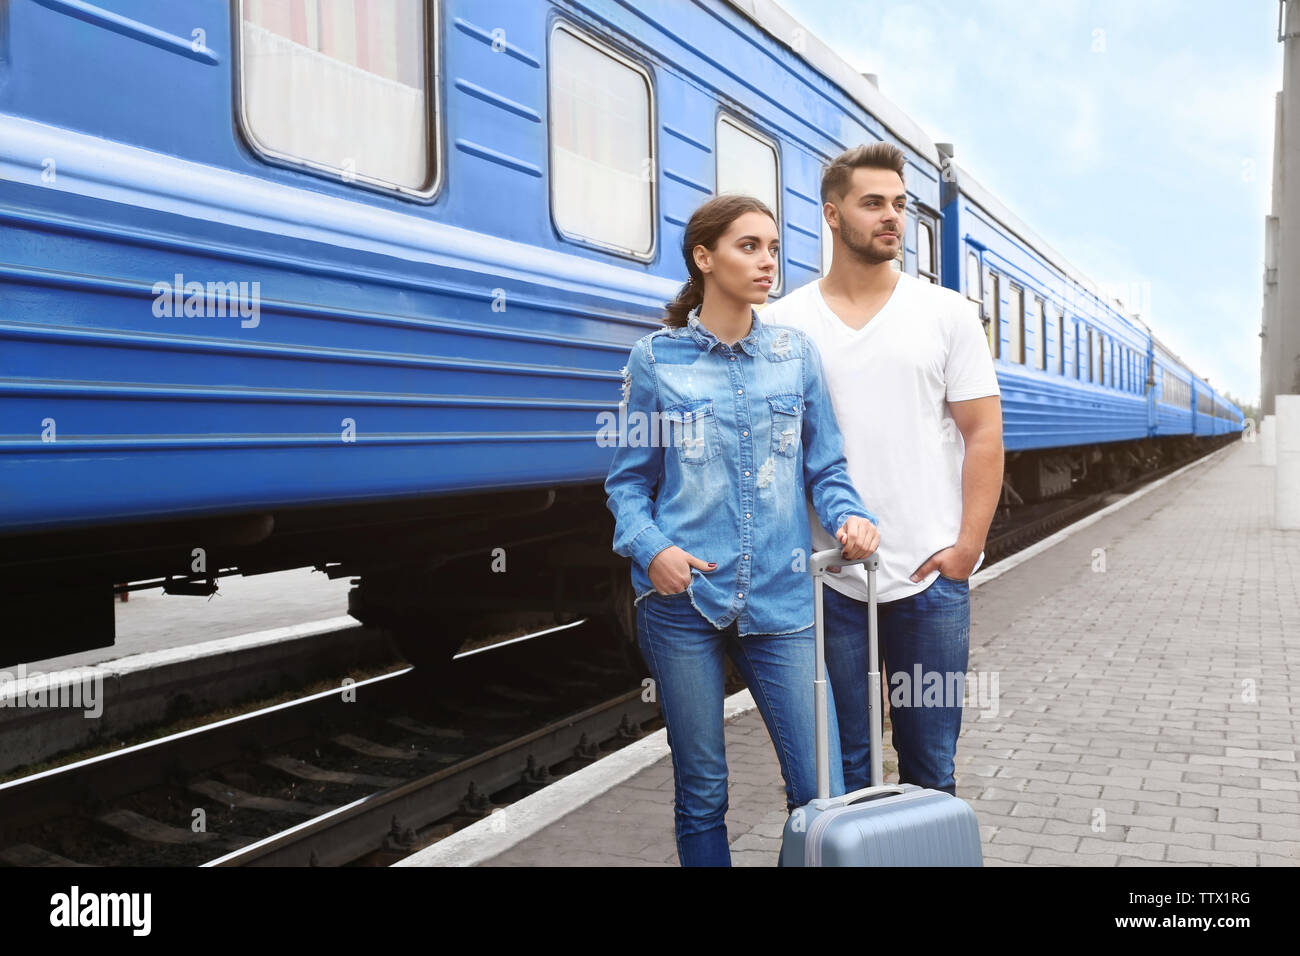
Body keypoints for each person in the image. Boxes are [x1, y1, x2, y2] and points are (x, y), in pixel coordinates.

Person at [604, 193, 880, 866]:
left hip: (781, 599)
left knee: (822, 792)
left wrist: (852, 517)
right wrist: (653, 548)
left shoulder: (795, 355)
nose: (767, 263)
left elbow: (828, 469)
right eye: (748, 247)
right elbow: (628, 483)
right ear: (705, 258)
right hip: (681, 603)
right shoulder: (655, 361)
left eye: (773, 248)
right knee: (703, 791)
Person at [760, 143, 1003, 798]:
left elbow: (983, 433)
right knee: (840, 778)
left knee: (931, 770)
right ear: (832, 215)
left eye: (899, 204)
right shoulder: (781, 323)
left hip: (930, 583)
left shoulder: (947, 313)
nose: (892, 217)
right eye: (874, 203)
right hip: (825, 582)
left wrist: (966, 549)